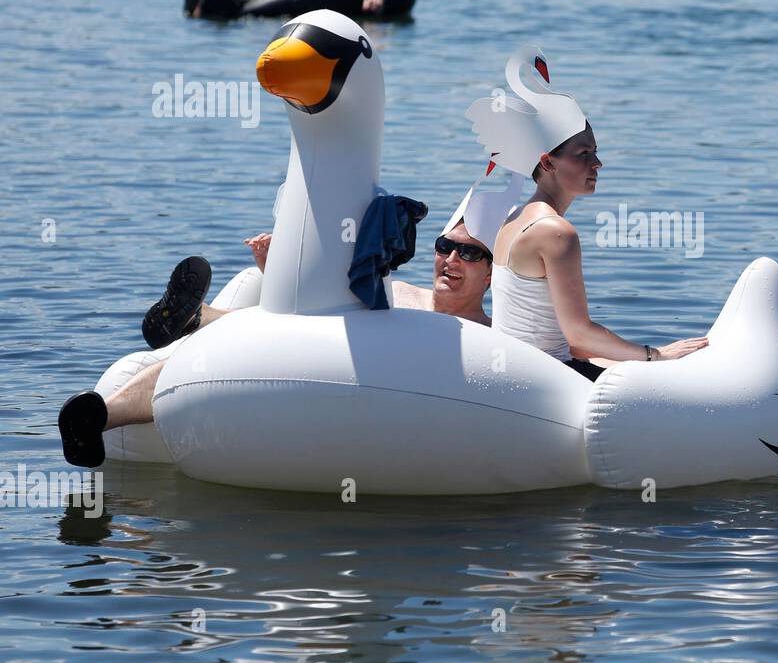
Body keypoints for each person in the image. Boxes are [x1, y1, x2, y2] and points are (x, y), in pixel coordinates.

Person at [58, 208, 498, 467]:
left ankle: (199, 317)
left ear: (492, 273)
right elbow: (321, 307)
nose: (451, 258)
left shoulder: (487, 339)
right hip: (312, 348)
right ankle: (98, 417)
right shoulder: (396, 289)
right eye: (444, 245)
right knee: (217, 346)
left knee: (242, 334)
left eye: (470, 252)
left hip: (353, 392)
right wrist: (281, 267)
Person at [468, 47, 709, 384]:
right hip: (544, 382)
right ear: (548, 163)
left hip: (515, 375)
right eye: (583, 154)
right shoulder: (555, 232)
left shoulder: (516, 217)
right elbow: (578, 334)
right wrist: (656, 355)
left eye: (595, 152)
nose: (597, 164)